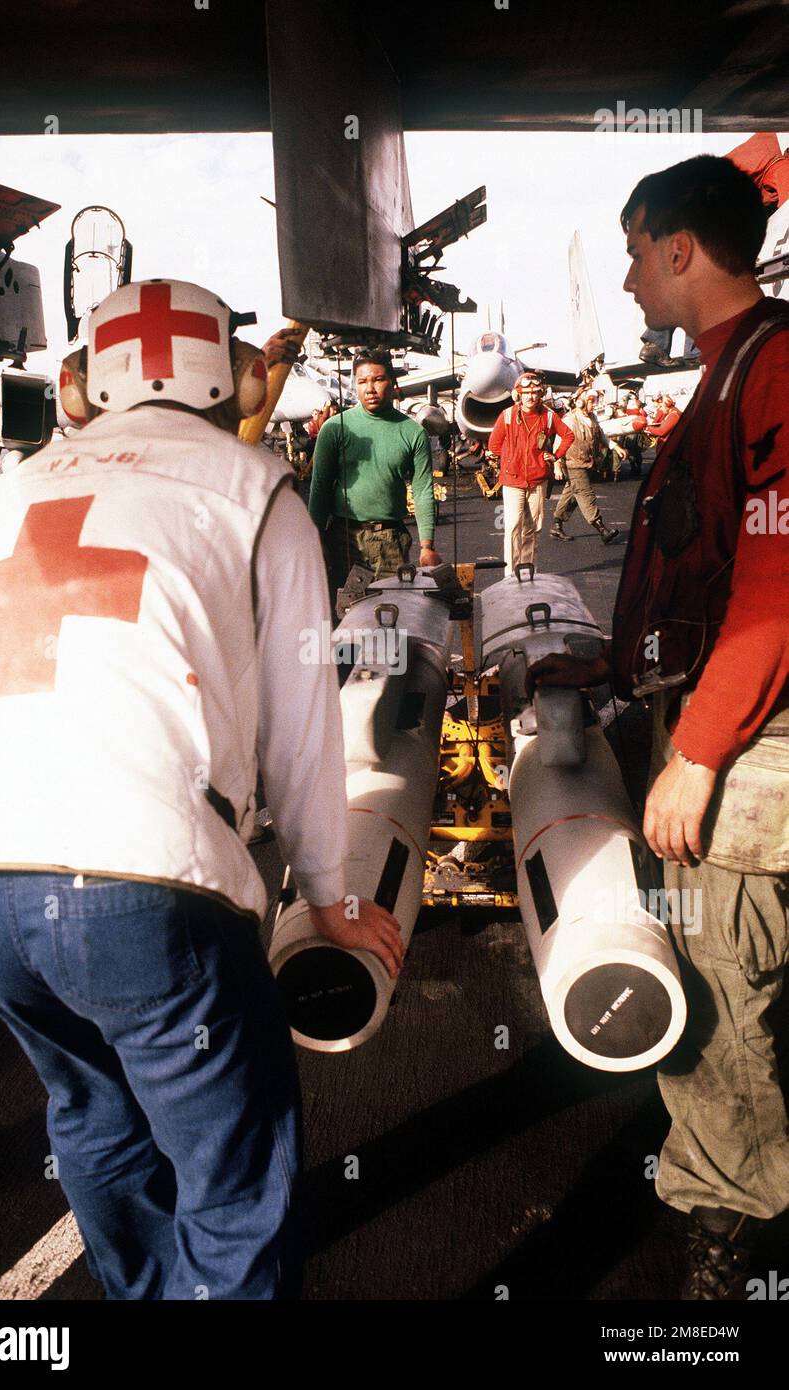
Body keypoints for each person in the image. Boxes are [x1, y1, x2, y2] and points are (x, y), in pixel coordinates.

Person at [0, 278, 402, 1301]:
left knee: (89, 1111)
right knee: (230, 1167)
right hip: (131, 877)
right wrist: (333, 894)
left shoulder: (5, 495)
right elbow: (306, 722)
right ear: (233, 377)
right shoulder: (253, 486)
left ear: (85, 383)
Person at [527, 154, 789, 1300]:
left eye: (636, 251)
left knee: (719, 1003)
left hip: (746, 756)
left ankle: (722, 1263)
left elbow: (777, 583)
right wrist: (614, 659)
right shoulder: (730, 376)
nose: (630, 277)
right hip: (724, 729)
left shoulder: (770, 371)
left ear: (680, 246)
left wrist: (694, 751)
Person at [308, 349, 440, 610]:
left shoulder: (413, 433)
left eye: (378, 379)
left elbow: (423, 489)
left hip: (390, 541)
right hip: (343, 539)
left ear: (393, 382)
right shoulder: (334, 428)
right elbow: (320, 486)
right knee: (344, 622)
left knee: (390, 620)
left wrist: (427, 546)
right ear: (355, 385)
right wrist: (316, 540)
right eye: (362, 381)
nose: (370, 388)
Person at [487, 370, 574, 572]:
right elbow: (494, 445)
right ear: (518, 394)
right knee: (513, 526)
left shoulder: (549, 416)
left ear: (541, 394)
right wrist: (512, 459)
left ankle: (527, 569)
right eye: (526, 392)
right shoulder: (507, 416)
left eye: (535, 392)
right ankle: (510, 572)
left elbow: (568, 435)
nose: (531, 396)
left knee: (534, 528)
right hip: (512, 481)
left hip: (537, 481)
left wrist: (555, 455)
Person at [550, 392, 619, 543]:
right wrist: (556, 465)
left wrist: (615, 446)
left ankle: (557, 525)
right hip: (573, 463)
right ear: (581, 402)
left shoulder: (592, 417)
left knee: (572, 493)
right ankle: (602, 529)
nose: (595, 404)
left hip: (587, 462)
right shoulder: (569, 419)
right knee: (585, 494)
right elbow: (558, 442)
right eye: (592, 401)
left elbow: (601, 435)